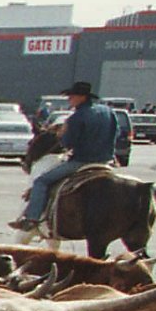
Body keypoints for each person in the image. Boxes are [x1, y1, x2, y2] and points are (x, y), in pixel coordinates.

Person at [14, 80, 118, 230]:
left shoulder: (76, 117)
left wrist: (63, 134)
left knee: (41, 182)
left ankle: (32, 218)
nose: (69, 99)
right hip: (105, 161)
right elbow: (116, 133)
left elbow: (68, 144)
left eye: (71, 96)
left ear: (82, 97)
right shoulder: (108, 112)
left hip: (82, 161)